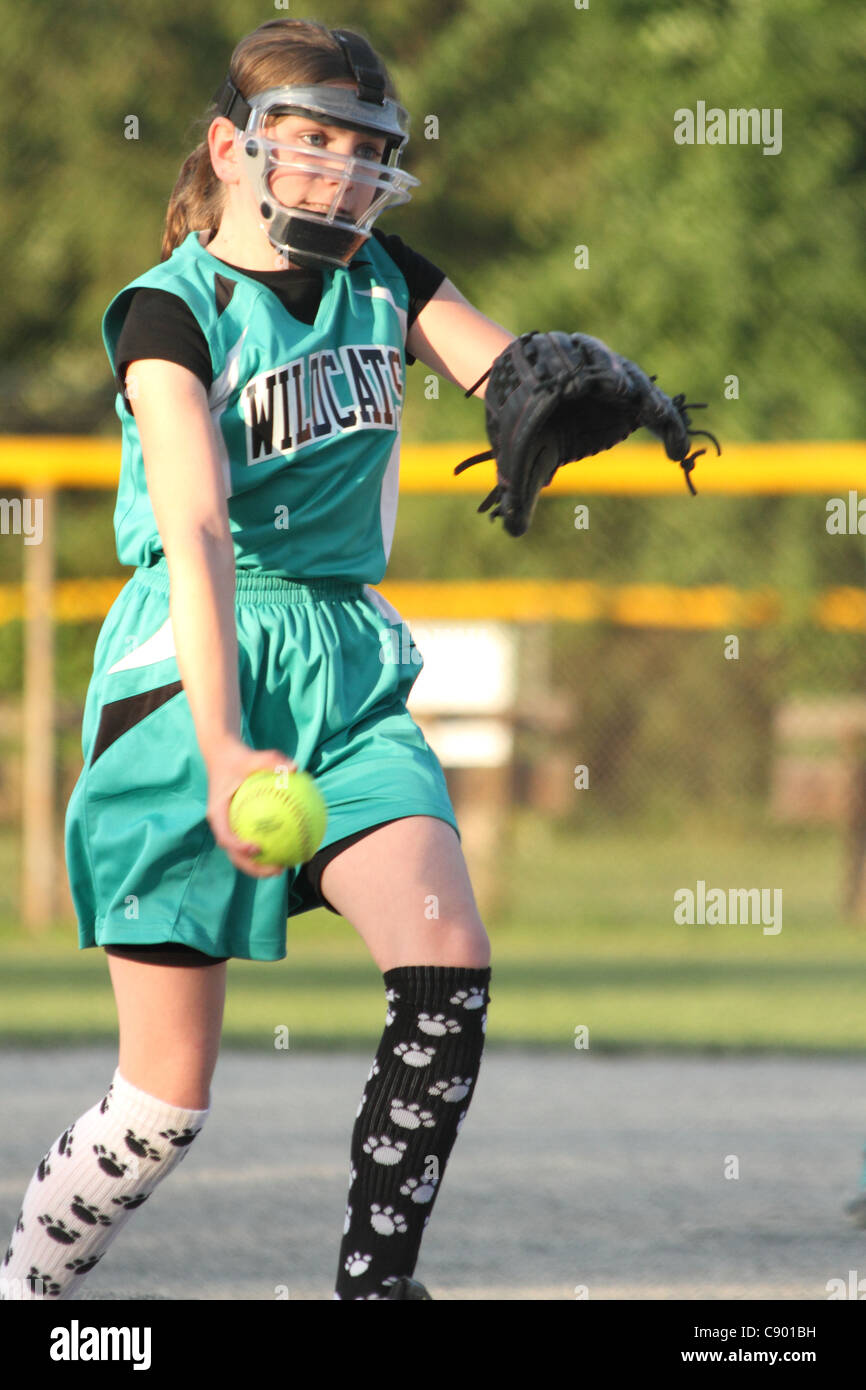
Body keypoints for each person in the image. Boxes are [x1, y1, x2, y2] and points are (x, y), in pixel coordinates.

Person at [1, 17, 516, 1301]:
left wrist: (573, 383)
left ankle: (373, 1285)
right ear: (232, 149)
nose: (340, 174)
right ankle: (24, 1291)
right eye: (311, 143)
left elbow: (498, 368)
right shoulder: (170, 312)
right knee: (161, 1105)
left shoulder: (385, 273)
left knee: (446, 964)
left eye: (363, 151)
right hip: (189, 666)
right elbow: (192, 526)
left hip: (345, 663)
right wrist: (225, 743)